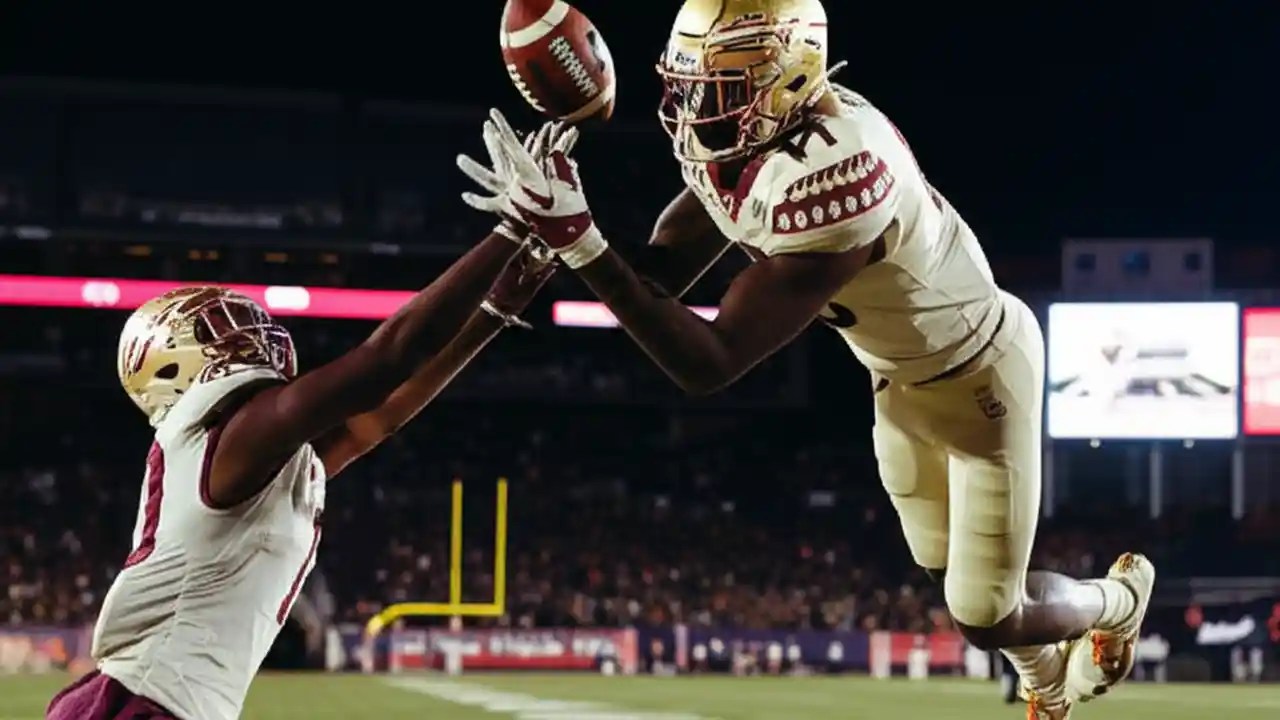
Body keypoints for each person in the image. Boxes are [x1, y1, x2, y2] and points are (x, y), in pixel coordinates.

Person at [458, 2, 1153, 717]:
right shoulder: (756, 139)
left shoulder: (839, 172)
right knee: (943, 567)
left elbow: (710, 361)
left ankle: (1118, 601)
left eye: (724, 85)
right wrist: (552, 229)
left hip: (983, 376)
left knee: (981, 612)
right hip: (897, 381)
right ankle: (1045, 680)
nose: (699, 104)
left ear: (790, 75)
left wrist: (583, 245)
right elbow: (659, 279)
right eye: (694, 80)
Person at [45, 121, 574, 720]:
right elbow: (385, 360)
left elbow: (382, 414)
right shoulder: (230, 437)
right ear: (170, 368)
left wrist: (495, 309)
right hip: (140, 705)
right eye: (217, 328)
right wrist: (510, 230)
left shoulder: (250, 455)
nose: (251, 332)